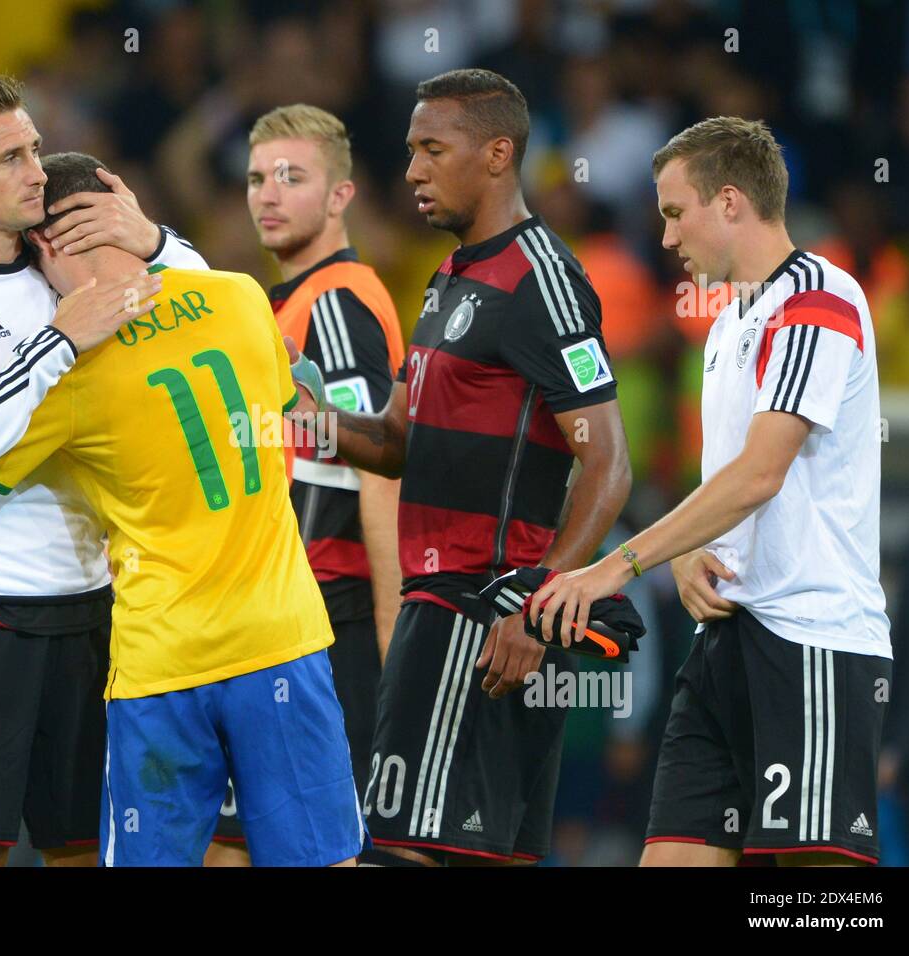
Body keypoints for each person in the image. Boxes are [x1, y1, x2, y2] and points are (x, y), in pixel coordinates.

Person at [0, 152, 365, 868]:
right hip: (283, 642)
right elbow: (298, 407)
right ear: (121, 211)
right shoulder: (239, 299)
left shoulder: (68, 376)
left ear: (46, 243)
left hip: (160, 664)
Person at [290, 68, 631, 865]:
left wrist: (537, 604)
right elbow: (398, 442)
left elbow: (608, 464)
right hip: (445, 609)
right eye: (411, 150)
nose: (411, 170)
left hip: (482, 614)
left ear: (497, 154)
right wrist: (306, 419)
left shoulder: (543, 280)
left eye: (432, 149)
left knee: (400, 853)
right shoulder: (448, 279)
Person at [529, 117, 892, 866]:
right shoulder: (726, 325)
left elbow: (763, 471)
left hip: (811, 641)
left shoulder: (821, 299)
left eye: (673, 212)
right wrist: (692, 552)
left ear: (730, 202)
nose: (665, 239)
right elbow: (728, 487)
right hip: (722, 643)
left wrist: (615, 566)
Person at [0, 70, 203, 867]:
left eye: (36, 149)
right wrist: (57, 342)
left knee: (84, 851)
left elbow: (212, 302)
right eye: (11, 157)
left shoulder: (63, 257)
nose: (36, 172)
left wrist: (149, 235)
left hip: (95, 609)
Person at [204, 104, 405, 866]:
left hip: (329, 624)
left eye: (292, 177)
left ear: (340, 195)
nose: (268, 194)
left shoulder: (341, 302)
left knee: (320, 852)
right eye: (257, 178)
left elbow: (377, 469)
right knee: (231, 846)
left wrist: (391, 649)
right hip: (271, 622)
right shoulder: (281, 306)